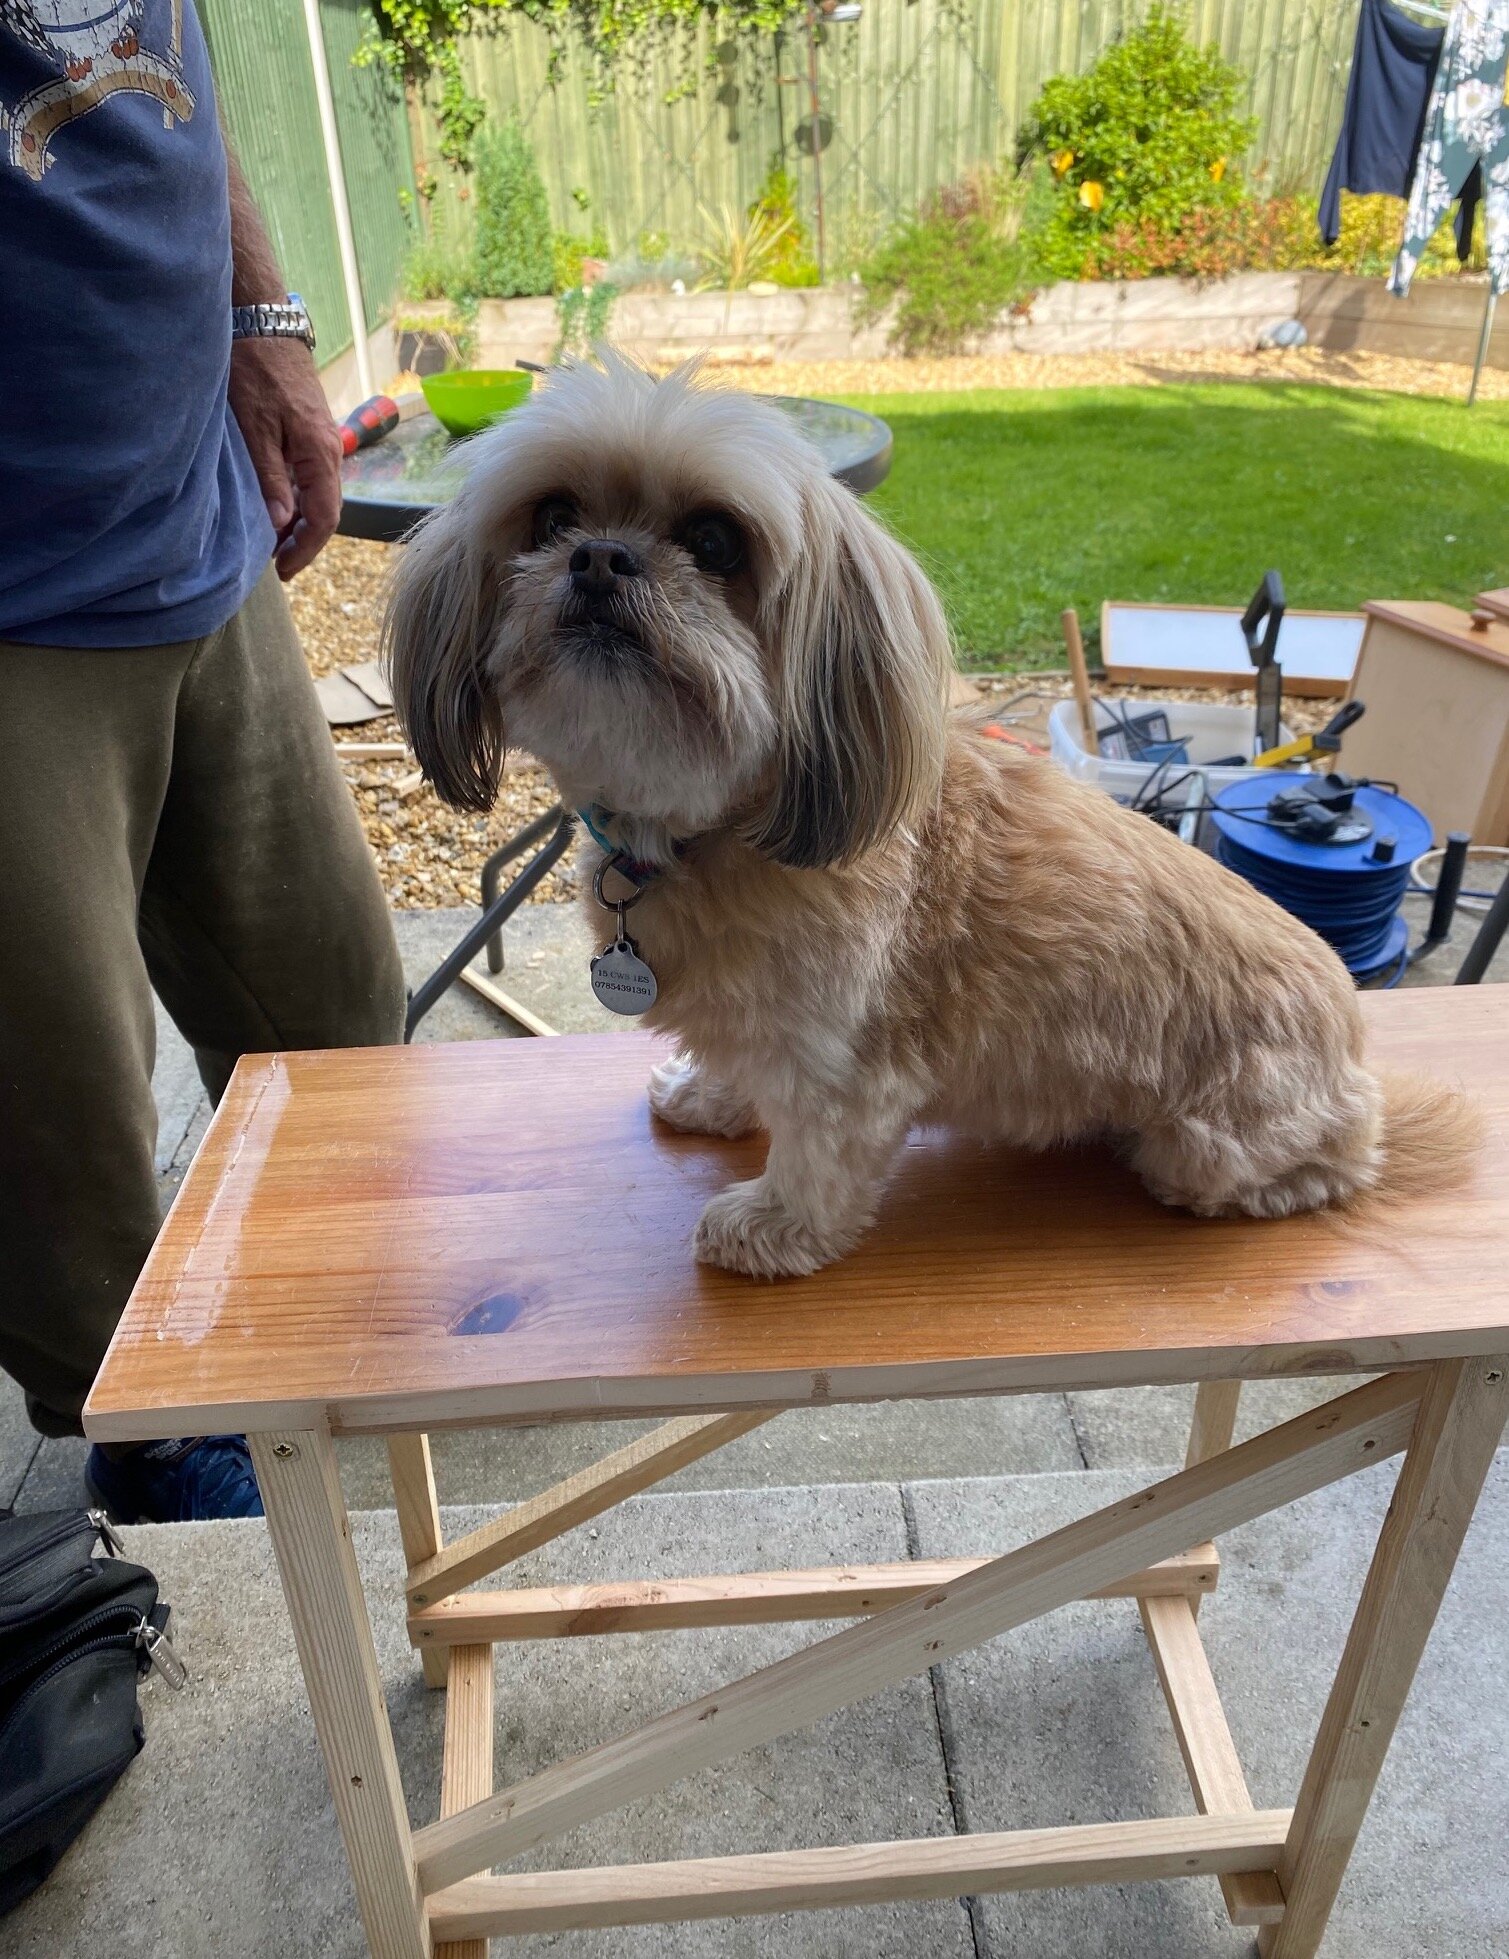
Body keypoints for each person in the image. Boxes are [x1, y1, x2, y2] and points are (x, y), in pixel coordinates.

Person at [0, 1, 406, 1520]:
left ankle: (316, 1351)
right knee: (63, 1150)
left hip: (190, 515)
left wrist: (262, 319)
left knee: (336, 1021)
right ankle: (158, 1453)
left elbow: (171, 61)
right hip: (12, 601)